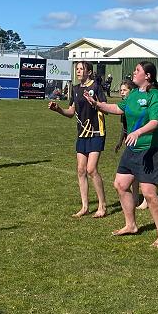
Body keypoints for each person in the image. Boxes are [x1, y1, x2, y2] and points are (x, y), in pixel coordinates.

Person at [86, 62, 158, 248]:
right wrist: (98, 104)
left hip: (152, 149)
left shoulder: (155, 95)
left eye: (138, 70)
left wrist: (138, 132)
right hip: (133, 149)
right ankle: (131, 225)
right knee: (121, 184)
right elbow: (118, 109)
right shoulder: (133, 95)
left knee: (149, 194)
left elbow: (156, 121)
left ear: (147, 76)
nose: (134, 72)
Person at [48, 61, 108, 218]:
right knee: (81, 170)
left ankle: (102, 205)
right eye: (77, 69)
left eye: (82, 69)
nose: (78, 71)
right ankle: (85, 207)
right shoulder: (75, 89)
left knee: (91, 169)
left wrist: (95, 104)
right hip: (82, 133)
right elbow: (71, 112)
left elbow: (105, 108)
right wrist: (58, 109)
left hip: (96, 131)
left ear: (89, 72)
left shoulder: (96, 87)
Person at [113, 79, 147, 210]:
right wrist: (120, 141)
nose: (122, 92)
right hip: (130, 141)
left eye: (124, 90)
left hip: (142, 140)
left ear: (131, 91)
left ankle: (145, 199)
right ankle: (135, 197)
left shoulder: (137, 104)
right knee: (133, 170)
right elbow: (125, 127)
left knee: (143, 169)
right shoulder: (125, 106)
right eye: (120, 90)